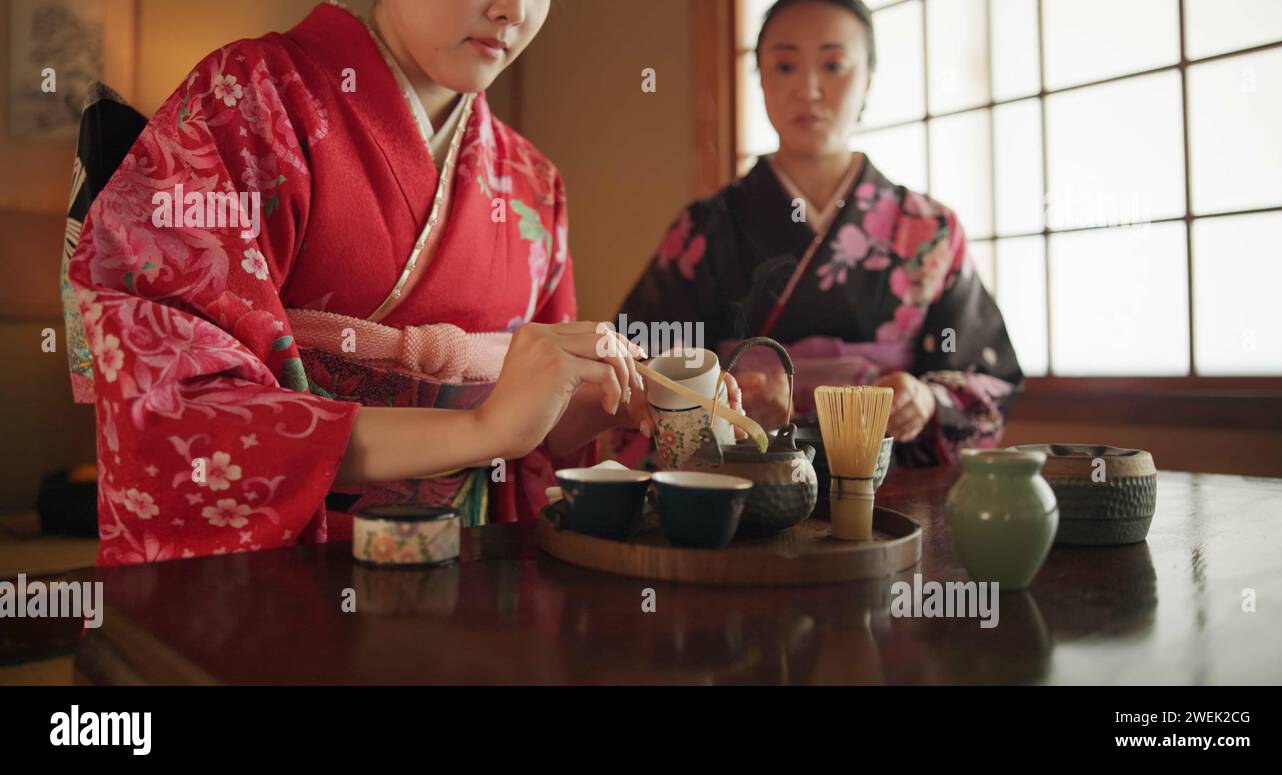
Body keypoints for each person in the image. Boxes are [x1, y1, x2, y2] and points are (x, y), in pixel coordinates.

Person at [62, 0, 718, 565]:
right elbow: (174, 407)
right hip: (296, 566)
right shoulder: (249, 96)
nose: (512, 10)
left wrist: (619, 403)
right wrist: (481, 429)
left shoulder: (532, 182)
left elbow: (532, 442)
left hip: (472, 573)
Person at [618, 0, 1022, 468]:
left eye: (833, 65)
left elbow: (989, 378)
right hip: (741, 477)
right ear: (761, 78)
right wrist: (724, 404)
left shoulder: (929, 230)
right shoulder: (704, 228)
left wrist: (926, 401)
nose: (808, 90)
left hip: (890, 480)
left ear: (867, 78)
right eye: (785, 66)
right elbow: (638, 363)